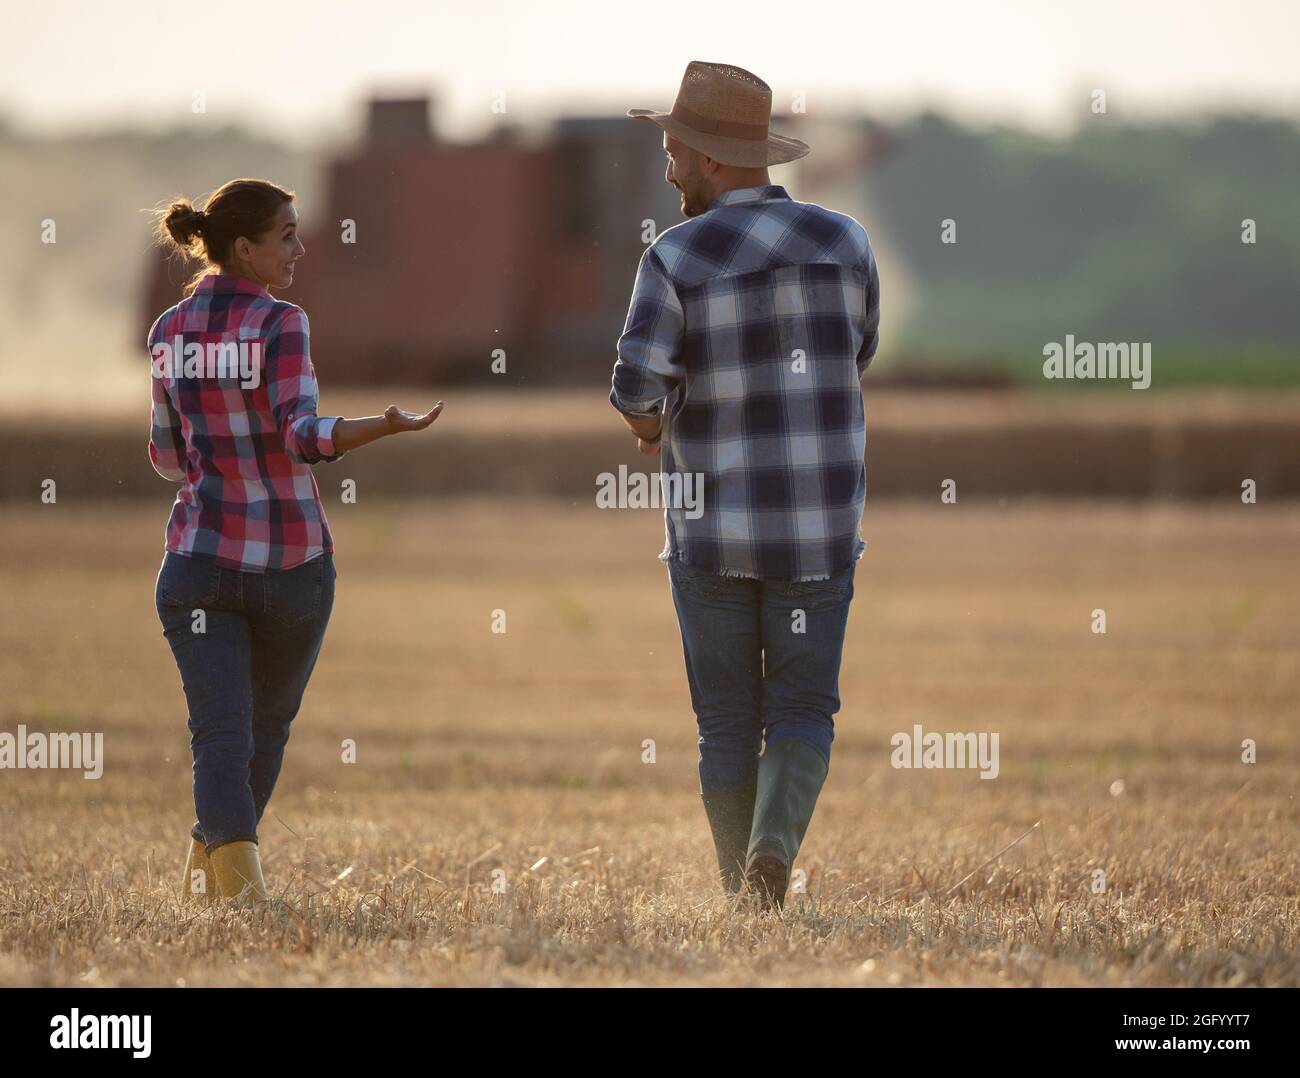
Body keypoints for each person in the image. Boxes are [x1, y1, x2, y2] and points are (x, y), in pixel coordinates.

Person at [610, 63, 881, 909]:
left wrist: (650, 430)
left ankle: (743, 895)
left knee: (726, 720)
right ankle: (772, 854)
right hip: (818, 531)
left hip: (711, 533)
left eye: (673, 151)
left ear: (709, 158)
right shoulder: (846, 242)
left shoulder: (674, 255)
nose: (668, 169)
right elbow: (860, 349)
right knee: (804, 708)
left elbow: (635, 385)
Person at [149, 178, 443, 904]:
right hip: (290, 566)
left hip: (196, 560)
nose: (299, 249)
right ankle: (240, 899)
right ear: (244, 248)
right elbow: (301, 437)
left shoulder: (167, 331)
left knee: (219, 734)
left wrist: (219, 448)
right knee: (262, 731)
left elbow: (165, 457)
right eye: (285, 235)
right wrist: (380, 426)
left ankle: (212, 887)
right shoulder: (281, 323)